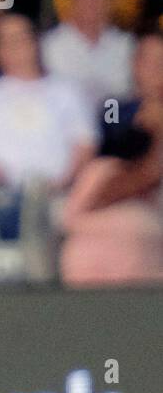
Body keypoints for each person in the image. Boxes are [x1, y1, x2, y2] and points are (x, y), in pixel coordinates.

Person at [0, 14, 97, 238]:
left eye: (20, 38)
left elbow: (85, 145)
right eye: (5, 40)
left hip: (56, 195)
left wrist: (63, 183)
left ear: (35, 42)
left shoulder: (66, 90)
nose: (14, 47)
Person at [61, 32, 163, 283]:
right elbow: (111, 148)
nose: (157, 70)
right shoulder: (115, 106)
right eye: (151, 61)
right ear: (135, 64)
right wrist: (146, 121)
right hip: (113, 197)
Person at [41, 0, 135, 106]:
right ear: (72, 1)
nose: (93, 3)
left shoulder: (127, 45)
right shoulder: (49, 45)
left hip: (115, 122)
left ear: (111, 3)